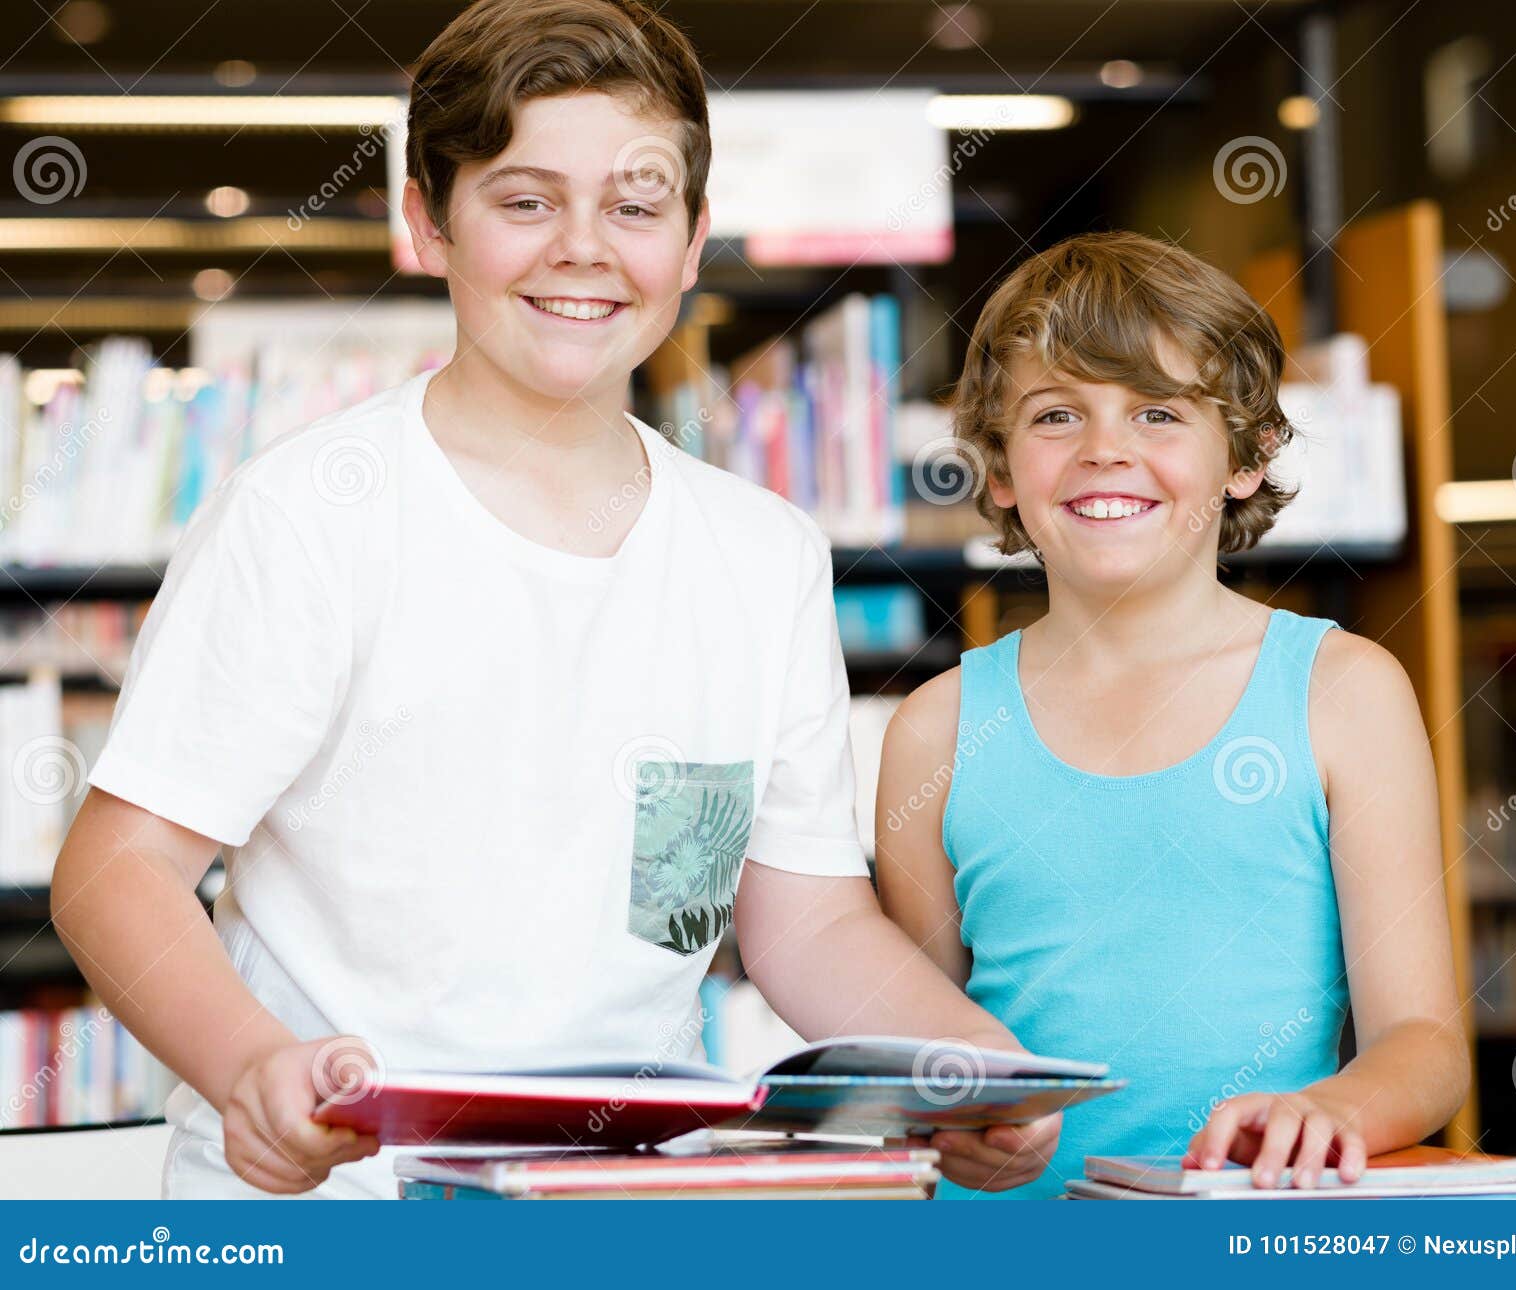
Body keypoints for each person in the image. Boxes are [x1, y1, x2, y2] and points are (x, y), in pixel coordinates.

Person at [51, 0, 1058, 1198]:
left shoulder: (760, 553)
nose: (583, 249)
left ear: (689, 245)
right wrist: (250, 1064)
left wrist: (961, 1065)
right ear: (427, 223)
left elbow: (808, 924)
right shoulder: (310, 516)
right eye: (525, 201)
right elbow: (117, 871)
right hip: (339, 1205)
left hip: (626, 1205)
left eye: (634, 209)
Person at [876, 230, 1470, 1199]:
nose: (1104, 451)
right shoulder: (932, 734)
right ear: (994, 469)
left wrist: (1336, 1111)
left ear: (1245, 455)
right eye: (1056, 415)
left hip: (1246, 1242)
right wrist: (940, 1117)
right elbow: (917, 1051)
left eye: (1157, 412)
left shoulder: (1343, 693)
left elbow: (1425, 1045)